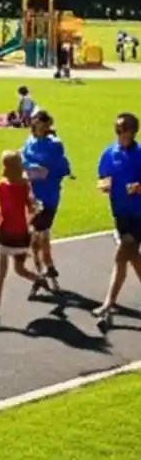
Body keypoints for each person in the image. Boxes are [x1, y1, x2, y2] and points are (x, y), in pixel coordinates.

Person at [0, 150, 48, 325]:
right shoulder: (20, 185)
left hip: (11, 234)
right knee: (7, 271)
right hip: (15, 234)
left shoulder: (10, 186)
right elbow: (27, 208)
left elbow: (3, 210)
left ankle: (38, 279)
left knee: (12, 271)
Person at [92, 112, 141, 321]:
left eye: (124, 130)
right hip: (120, 213)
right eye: (117, 130)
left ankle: (108, 302)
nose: (120, 134)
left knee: (122, 254)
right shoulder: (109, 153)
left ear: (133, 131)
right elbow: (102, 176)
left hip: (139, 213)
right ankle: (109, 303)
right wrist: (103, 184)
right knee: (131, 257)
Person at [22, 110, 72, 291]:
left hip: (48, 196)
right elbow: (23, 159)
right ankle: (45, 269)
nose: (39, 128)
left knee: (37, 232)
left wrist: (42, 169)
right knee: (38, 235)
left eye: (43, 125)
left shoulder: (54, 145)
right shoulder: (29, 142)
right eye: (36, 125)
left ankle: (45, 268)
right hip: (31, 195)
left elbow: (59, 165)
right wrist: (31, 167)